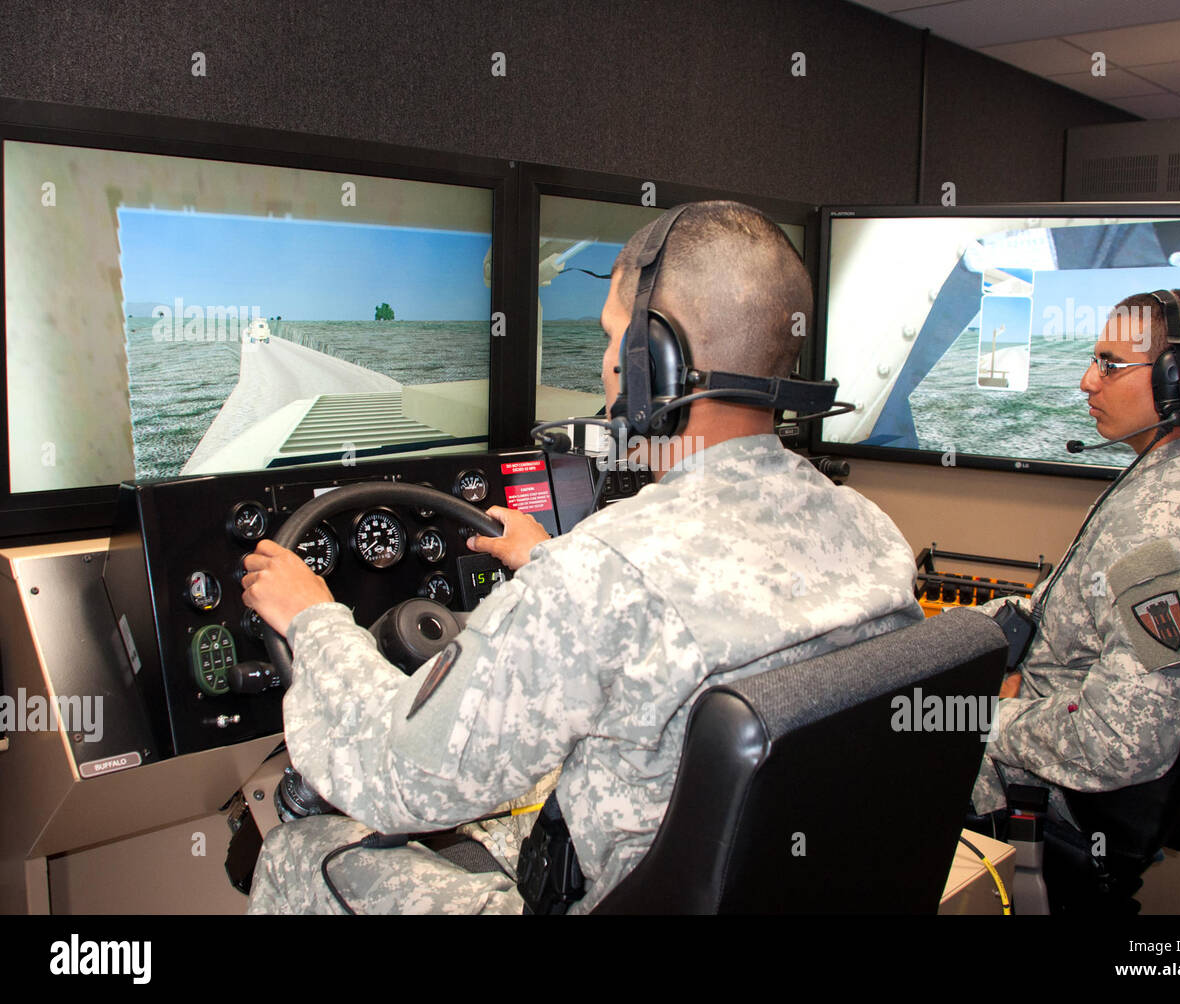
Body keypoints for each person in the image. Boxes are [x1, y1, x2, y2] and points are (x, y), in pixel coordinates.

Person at [241, 201, 925, 914]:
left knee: (301, 850)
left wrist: (314, 618)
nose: (604, 365)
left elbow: (396, 775)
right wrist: (551, 564)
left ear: (655, 361)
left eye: (611, 339)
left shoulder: (600, 575)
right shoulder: (873, 534)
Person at [970, 288, 1180, 822]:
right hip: (1037, 725)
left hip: (1023, 790)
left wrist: (991, 718)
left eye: (1109, 364)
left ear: (1176, 382)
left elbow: (1122, 738)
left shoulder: (1157, 529)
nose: (1087, 381)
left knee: (874, 733)